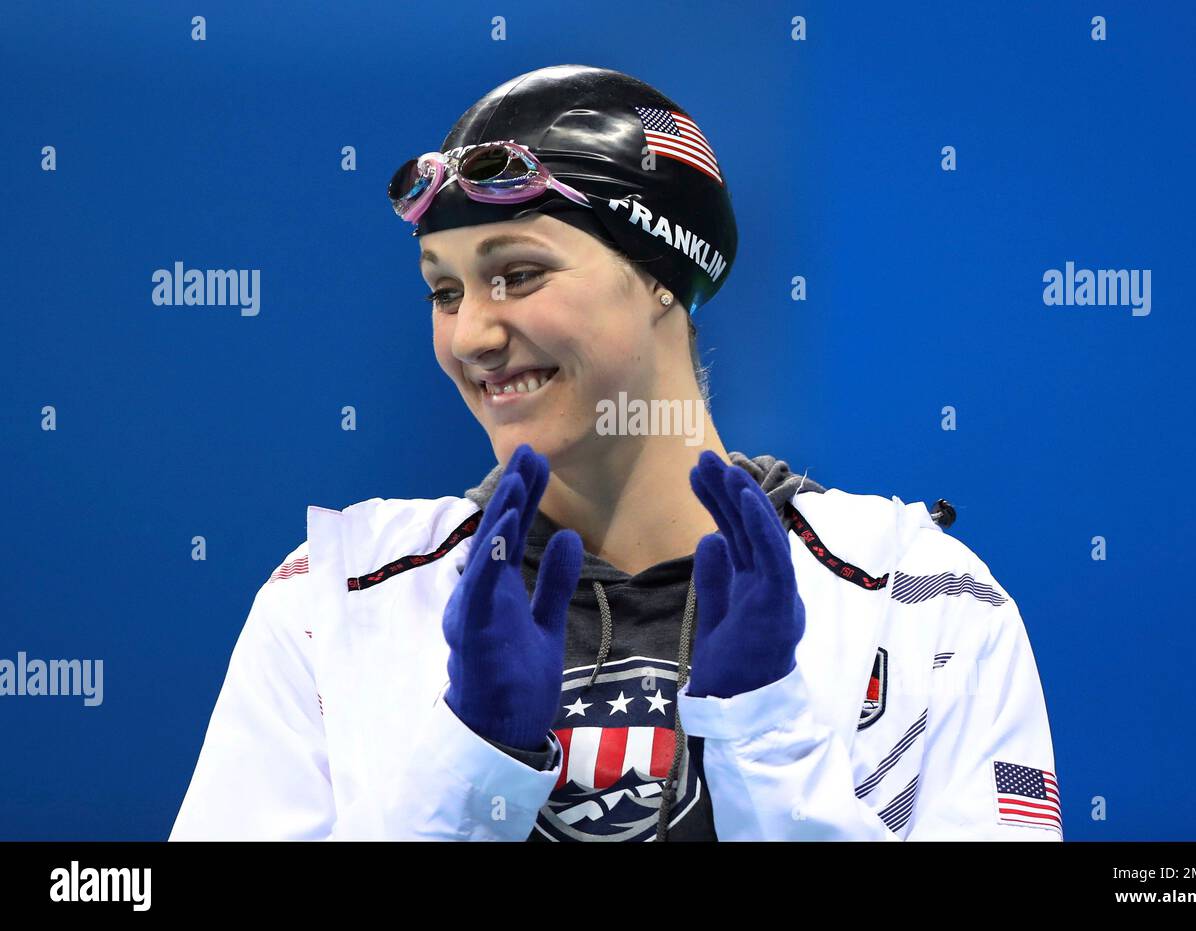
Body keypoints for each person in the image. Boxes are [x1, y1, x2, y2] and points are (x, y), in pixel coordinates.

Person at [170, 64, 1059, 842]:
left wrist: (768, 740)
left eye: (518, 273)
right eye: (444, 290)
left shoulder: (923, 603)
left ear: (666, 271)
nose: (472, 334)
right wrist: (469, 766)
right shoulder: (334, 602)